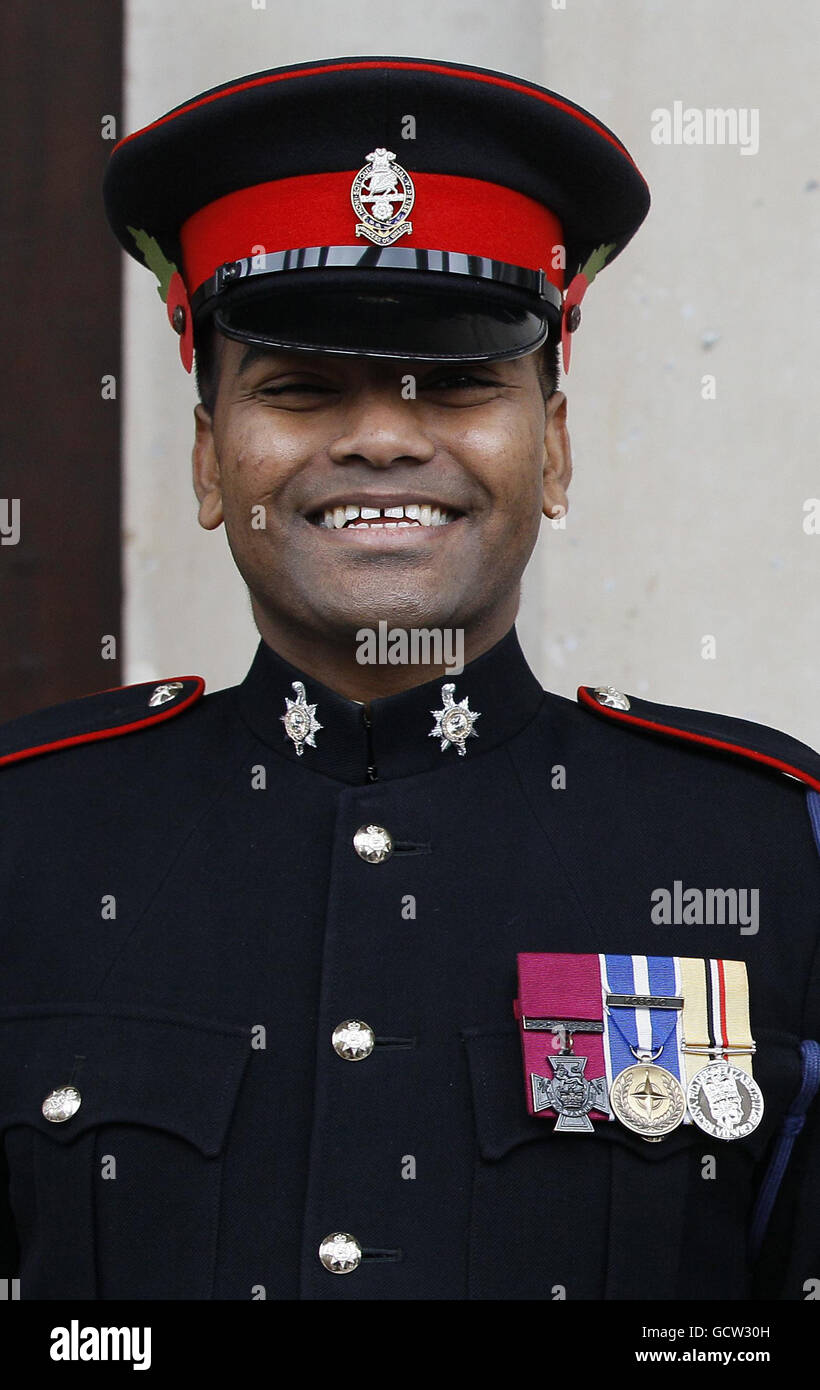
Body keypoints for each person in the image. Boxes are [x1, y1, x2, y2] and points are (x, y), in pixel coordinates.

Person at [1, 54, 819, 1302]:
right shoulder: (30, 839)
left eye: (455, 383)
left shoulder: (765, 848)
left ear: (550, 445)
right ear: (210, 461)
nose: (382, 434)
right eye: (300, 387)